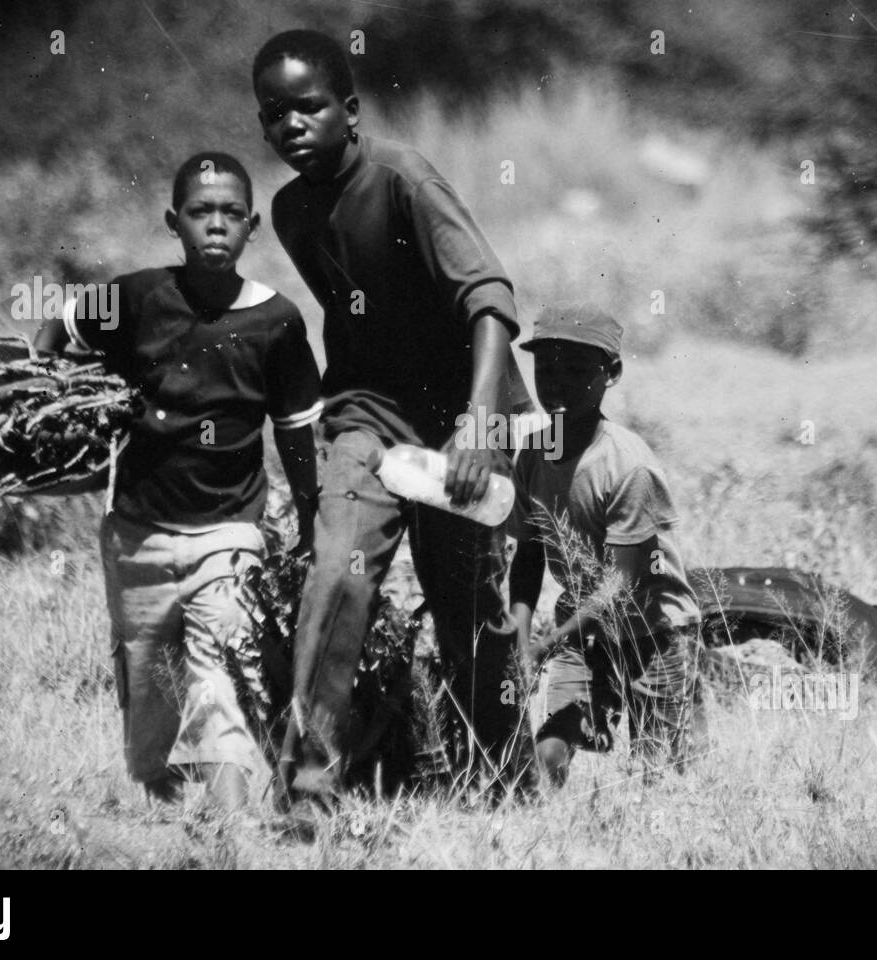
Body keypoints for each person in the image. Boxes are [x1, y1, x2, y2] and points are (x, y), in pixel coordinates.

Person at [252, 29, 534, 798]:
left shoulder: (404, 178)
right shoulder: (288, 212)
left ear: (349, 109)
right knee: (336, 577)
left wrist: (479, 425)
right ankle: (308, 789)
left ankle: (506, 781)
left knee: (468, 607)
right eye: (274, 115)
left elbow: (490, 301)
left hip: (459, 413)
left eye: (309, 108)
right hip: (366, 415)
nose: (292, 126)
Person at [35, 152, 321, 812]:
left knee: (220, 680)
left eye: (229, 214)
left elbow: (297, 435)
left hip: (230, 535)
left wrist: (311, 525)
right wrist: (44, 385)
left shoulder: (276, 322)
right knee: (148, 702)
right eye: (200, 212)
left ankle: (227, 836)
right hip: (137, 540)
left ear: (253, 225)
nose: (215, 226)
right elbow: (63, 322)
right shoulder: (137, 298)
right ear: (174, 221)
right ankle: (161, 804)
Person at [507, 303, 706, 787]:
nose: (556, 383)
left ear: (611, 373)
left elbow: (624, 581)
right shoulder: (534, 452)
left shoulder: (627, 465)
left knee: (662, 776)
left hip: (654, 630)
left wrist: (548, 645)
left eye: (576, 370)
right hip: (581, 625)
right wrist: (519, 635)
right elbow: (529, 554)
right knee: (549, 751)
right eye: (546, 368)